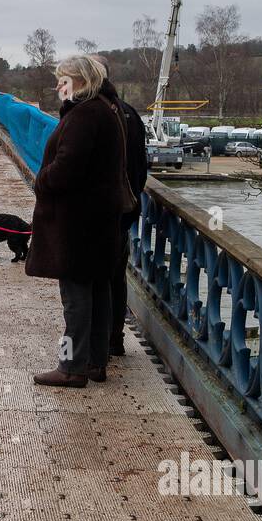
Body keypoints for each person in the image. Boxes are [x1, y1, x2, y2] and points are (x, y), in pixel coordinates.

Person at [26, 54, 129, 388]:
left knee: (75, 299)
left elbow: (67, 168)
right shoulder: (106, 110)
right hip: (100, 221)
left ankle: (71, 366)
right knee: (99, 292)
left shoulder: (83, 116)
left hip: (77, 225)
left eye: (64, 80)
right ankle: (96, 362)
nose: (59, 86)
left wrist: (41, 180)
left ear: (81, 81)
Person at [98, 73, 147, 356]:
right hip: (125, 210)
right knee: (117, 275)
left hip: (102, 212)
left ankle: (96, 349)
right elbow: (142, 164)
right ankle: (115, 338)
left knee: (94, 279)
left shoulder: (94, 114)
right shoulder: (130, 113)